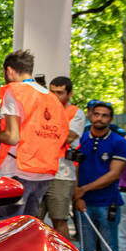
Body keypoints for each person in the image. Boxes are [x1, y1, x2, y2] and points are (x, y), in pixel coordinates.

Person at [0, 49, 66, 219]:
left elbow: (12, 137)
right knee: (28, 227)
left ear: (10, 71)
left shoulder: (15, 91)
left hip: (16, 171)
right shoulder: (51, 98)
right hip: (44, 174)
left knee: (7, 230)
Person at [72, 101, 126, 251]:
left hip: (108, 203)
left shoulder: (119, 142)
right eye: (97, 114)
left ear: (111, 119)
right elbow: (74, 169)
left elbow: (114, 174)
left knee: (110, 250)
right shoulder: (80, 139)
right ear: (91, 115)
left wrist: (84, 189)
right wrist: (78, 194)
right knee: (86, 250)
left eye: (105, 115)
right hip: (84, 203)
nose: (100, 118)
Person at [40, 77, 84, 237]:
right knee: (32, 220)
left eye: (59, 93)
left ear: (69, 94)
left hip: (62, 175)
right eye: (52, 92)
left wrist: (43, 131)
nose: (54, 96)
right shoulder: (42, 110)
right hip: (38, 172)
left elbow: (68, 137)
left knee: (59, 219)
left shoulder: (75, 113)